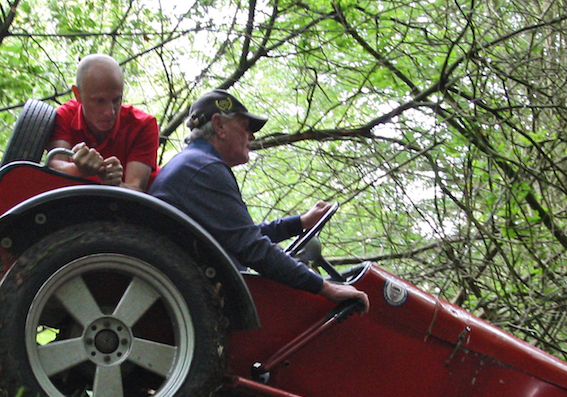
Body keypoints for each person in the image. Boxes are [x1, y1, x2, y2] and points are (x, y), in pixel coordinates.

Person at [150, 89, 369, 310]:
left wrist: (300, 223)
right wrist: (325, 288)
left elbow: (240, 235)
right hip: (179, 299)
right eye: (246, 127)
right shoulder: (205, 169)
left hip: (175, 288)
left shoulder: (194, 163)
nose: (252, 137)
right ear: (219, 126)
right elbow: (251, 247)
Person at [44, 53, 160, 191]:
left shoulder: (142, 125)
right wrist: (80, 170)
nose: (110, 112)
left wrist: (115, 184)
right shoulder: (65, 116)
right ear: (77, 94)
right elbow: (54, 166)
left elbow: (136, 188)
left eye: (116, 100)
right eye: (99, 101)